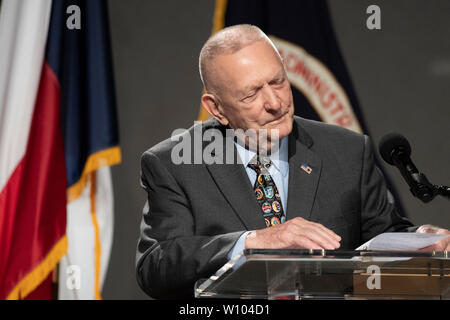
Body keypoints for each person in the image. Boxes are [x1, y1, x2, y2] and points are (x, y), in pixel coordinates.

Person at [136, 24, 449, 299]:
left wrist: (420, 241)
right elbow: (156, 265)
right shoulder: (174, 164)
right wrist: (253, 242)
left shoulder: (348, 151)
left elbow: (383, 237)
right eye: (251, 94)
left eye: (278, 81)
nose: (275, 103)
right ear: (216, 108)